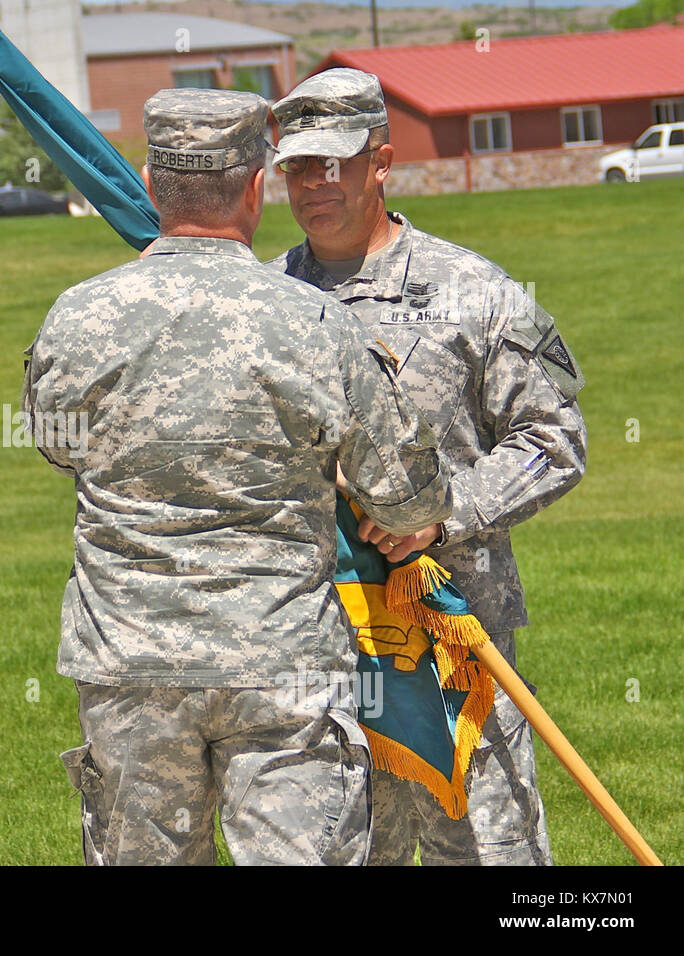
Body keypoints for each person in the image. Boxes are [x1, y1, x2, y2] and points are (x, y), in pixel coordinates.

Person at [22, 88, 452, 866]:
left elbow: (56, 447)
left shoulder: (77, 316)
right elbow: (404, 493)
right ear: (258, 186)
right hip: (280, 658)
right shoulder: (317, 321)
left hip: (131, 661)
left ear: (152, 184)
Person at [267, 68, 587, 866]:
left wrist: (446, 516)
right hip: (318, 655)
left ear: (382, 161)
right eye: (299, 166)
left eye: (335, 163)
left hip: (454, 648)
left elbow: (553, 438)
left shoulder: (471, 292)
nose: (316, 183)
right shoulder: (260, 303)